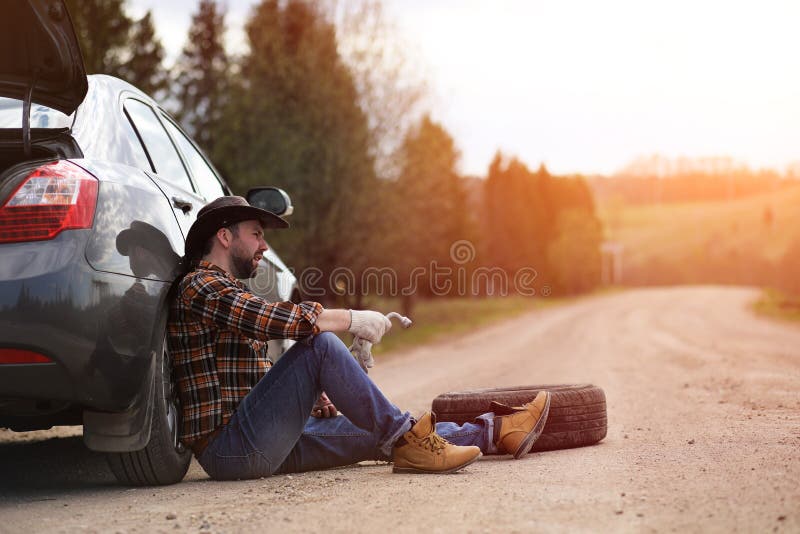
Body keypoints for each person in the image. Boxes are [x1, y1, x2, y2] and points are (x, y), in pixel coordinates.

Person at [167, 196, 551, 480]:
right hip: (231, 450)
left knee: (379, 433)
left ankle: (498, 431)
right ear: (224, 236)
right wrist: (352, 319)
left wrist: (311, 398)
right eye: (256, 235)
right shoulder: (200, 285)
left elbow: (252, 383)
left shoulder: (225, 288)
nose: (264, 246)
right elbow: (271, 320)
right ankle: (411, 439)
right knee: (319, 343)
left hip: (264, 439)